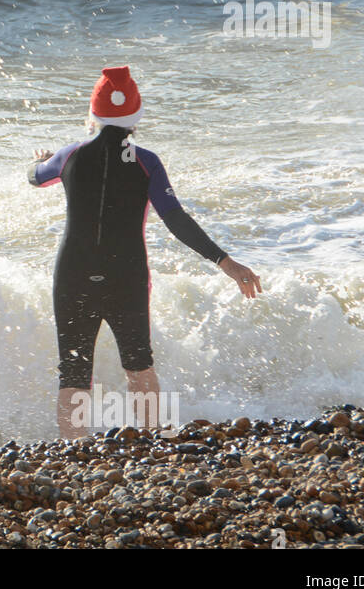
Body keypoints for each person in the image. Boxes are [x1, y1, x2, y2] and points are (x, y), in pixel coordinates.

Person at [28, 66, 263, 439]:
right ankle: (153, 441)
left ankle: (72, 450)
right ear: (136, 117)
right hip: (127, 276)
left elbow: (36, 176)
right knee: (139, 364)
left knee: (73, 369)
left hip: (73, 274)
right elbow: (175, 219)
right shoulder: (146, 162)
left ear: (93, 114)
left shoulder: (68, 156)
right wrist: (226, 262)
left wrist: (40, 159)